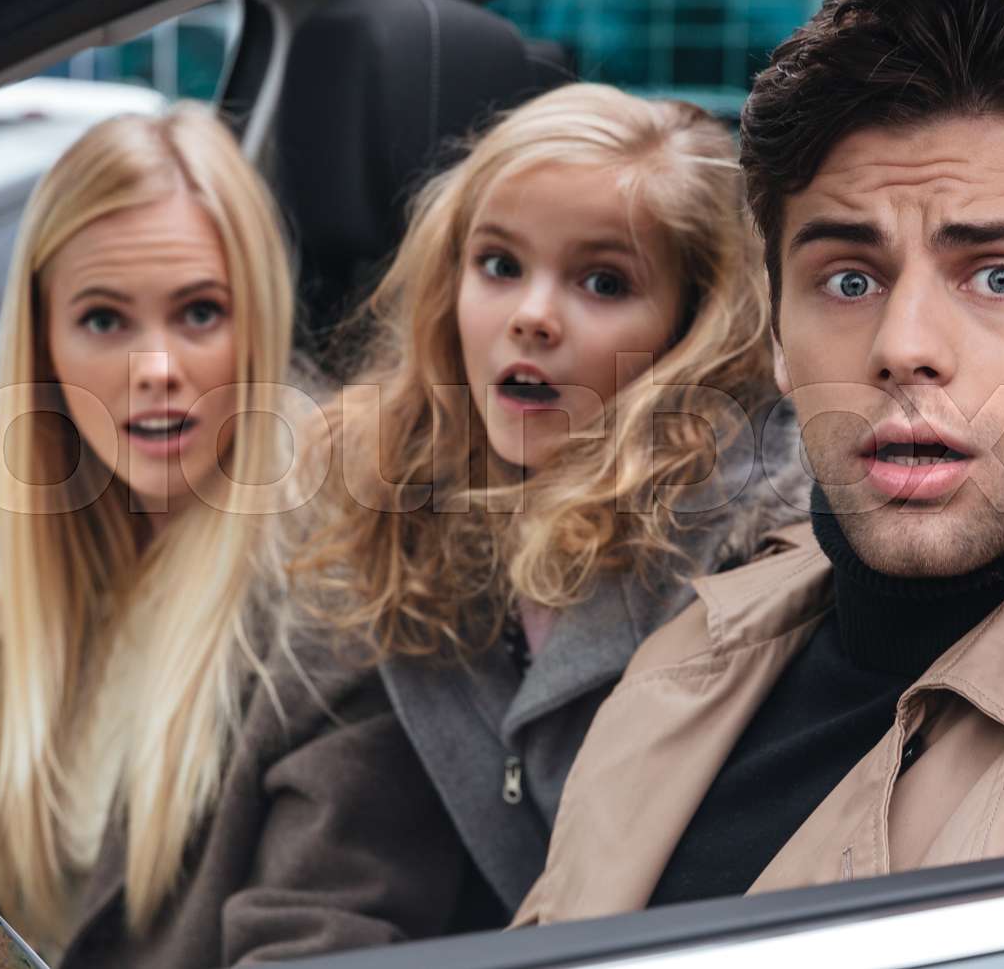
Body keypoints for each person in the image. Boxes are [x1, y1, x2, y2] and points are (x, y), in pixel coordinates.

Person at [514, 0, 1004, 926]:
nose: (903, 347)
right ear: (779, 330)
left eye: (998, 275)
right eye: (849, 279)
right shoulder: (698, 635)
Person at [0, 105, 461, 967]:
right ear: (45, 342)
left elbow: (316, 937)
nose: (155, 369)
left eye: (200, 312)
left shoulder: (342, 579)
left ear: (258, 321)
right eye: (103, 319)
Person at [290, 82, 808, 927]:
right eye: (498, 265)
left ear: (690, 325)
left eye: (603, 282)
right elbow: (352, 851)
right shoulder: (399, 510)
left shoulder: (751, 555)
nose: (532, 317)